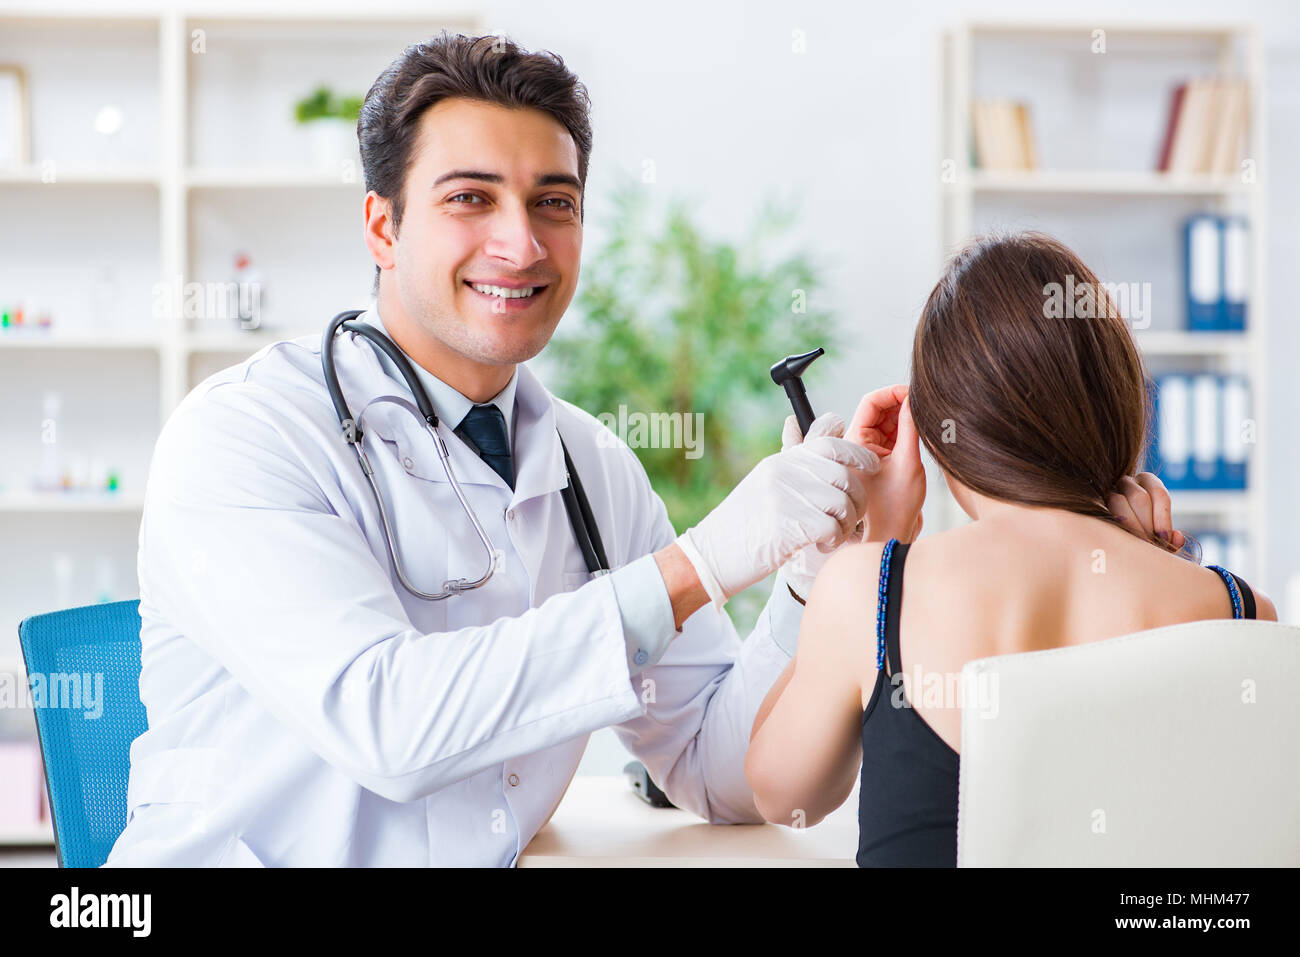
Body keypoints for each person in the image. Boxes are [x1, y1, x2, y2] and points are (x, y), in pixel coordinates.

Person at [105, 32, 1177, 867]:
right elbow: (391, 725)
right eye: (470, 199)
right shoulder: (245, 437)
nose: (520, 244)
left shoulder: (587, 467)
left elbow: (726, 770)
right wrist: (698, 563)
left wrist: (808, 575)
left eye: (553, 203)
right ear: (382, 226)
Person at [744, 231, 1277, 867]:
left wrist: (877, 544)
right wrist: (1139, 557)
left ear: (937, 443)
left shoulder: (872, 597)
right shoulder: (1244, 616)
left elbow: (780, 793)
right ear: (1120, 407)